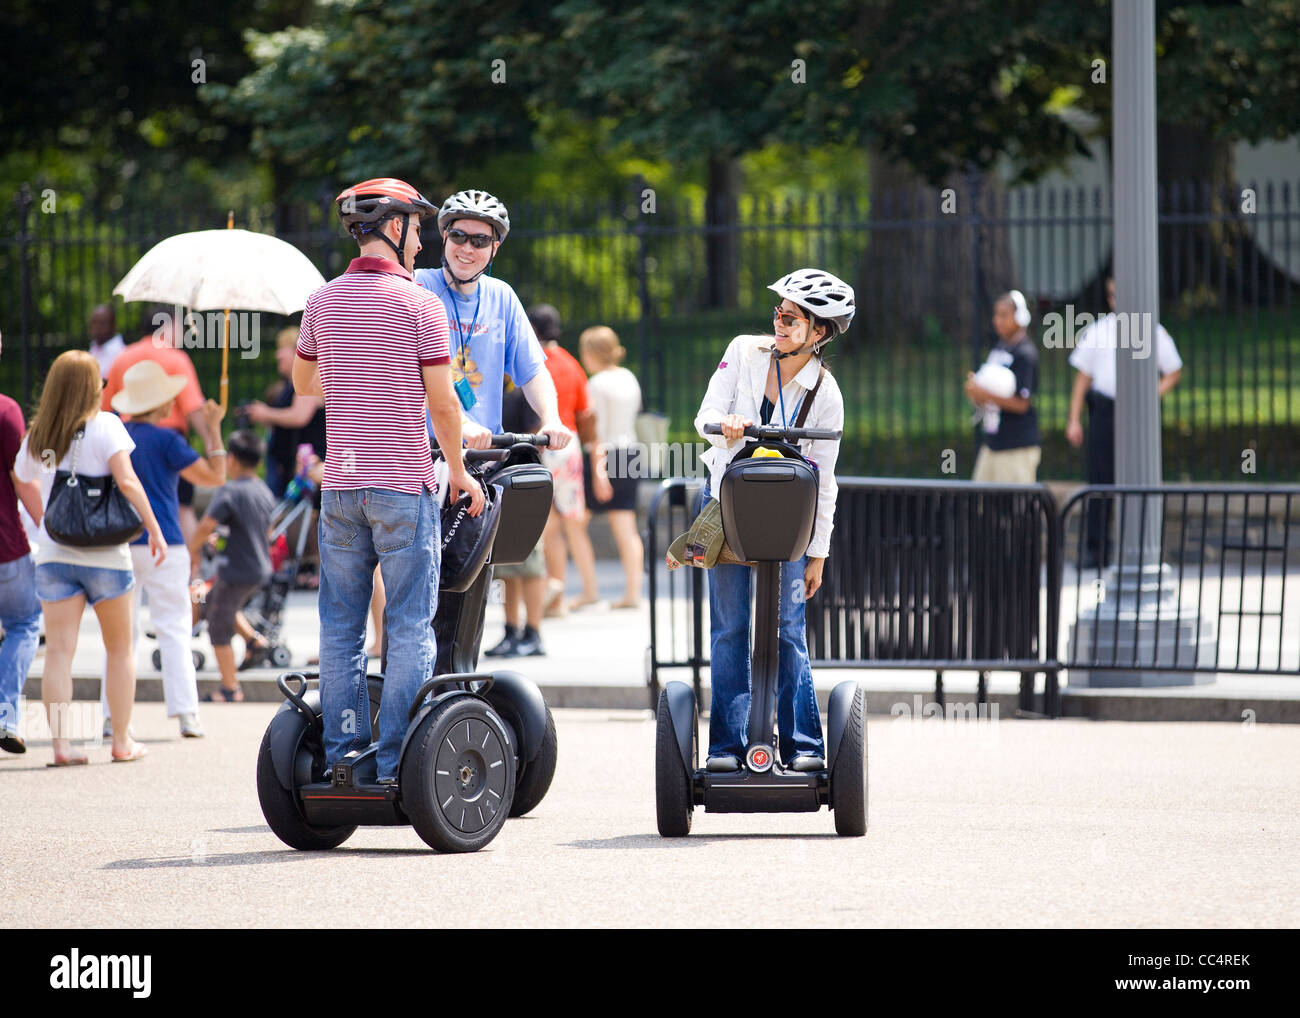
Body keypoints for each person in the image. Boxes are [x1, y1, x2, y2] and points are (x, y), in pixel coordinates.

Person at [295, 177, 484, 784]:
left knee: (341, 623)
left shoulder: (323, 300)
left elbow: (304, 385)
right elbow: (444, 404)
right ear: (394, 227)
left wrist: (357, 384)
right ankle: (396, 760)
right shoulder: (421, 306)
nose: (423, 238)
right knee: (407, 623)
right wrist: (457, 471)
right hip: (404, 482)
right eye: (419, 226)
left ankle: (342, 754)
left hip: (341, 487)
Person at [693, 268, 852, 773]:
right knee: (730, 628)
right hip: (727, 504)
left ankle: (804, 747)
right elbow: (704, 418)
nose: (778, 324)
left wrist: (819, 553)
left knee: (787, 629)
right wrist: (729, 430)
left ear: (819, 331)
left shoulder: (825, 394)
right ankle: (726, 749)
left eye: (791, 317)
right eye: (778, 314)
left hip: (788, 519)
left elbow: (825, 479)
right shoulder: (744, 351)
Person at [412, 189, 572, 668]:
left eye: (480, 240)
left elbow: (533, 370)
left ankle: (456, 685)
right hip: (425, 459)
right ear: (443, 236)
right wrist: (463, 424)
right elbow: (417, 373)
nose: (467, 247)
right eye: (458, 235)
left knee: (472, 584)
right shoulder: (418, 286)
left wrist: (552, 418)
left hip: (481, 463)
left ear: (494, 248)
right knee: (424, 587)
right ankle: (414, 691)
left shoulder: (501, 297)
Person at [14, 351, 165, 765]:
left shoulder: (39, 435)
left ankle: (61, 747)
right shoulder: (106, 427)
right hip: (106, 557)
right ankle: (120, 742)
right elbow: (128, 481)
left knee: (60, 651)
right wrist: (154, 529)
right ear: (90, 387)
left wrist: (43, 517)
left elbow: (22, 476)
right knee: (119, 649)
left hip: (54, 553)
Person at [102, 360, 227, 737]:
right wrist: (215, 430)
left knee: (120, 638)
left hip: (119, 543)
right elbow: (215, 476)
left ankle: (112, 718)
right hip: (166, 544)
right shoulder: (168, 440)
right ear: (160, 403)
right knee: (174, 629)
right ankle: (187, 714)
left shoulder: (115, 434)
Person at [1066, 276, 1183, 566]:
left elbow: (1173, 370)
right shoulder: (1098, 331)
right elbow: (1083, 378)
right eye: (1113, 295)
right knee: (1099, 481)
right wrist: (1074, 420)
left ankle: (1144, 548)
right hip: (1105, 410)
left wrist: (1151, 396)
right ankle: (1096, 550)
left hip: (1138, 413)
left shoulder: (1152, 331)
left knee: (1141, 478)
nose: (1118, 300)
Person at [102, 306, 221, 544]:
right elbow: (193, 408)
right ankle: (189, 566)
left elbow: (106, 408)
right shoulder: (176, 358)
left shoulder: (123, 357)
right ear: (166, 326)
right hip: (170, 442)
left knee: (131, 497)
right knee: (183, 506)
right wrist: (211, 441)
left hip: (127, 440)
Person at [188, 430, 274, 703]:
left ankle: (230, 688)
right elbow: (262, 529)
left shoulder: (230, 490)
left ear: (232, 459)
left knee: (218, 624)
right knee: (218, 601)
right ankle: (254, 641)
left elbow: (206, 525)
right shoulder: (263, 489)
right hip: (259, 566)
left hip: (236, 570)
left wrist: (193, 548)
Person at [529, 304, 601, 615]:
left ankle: (555, 596)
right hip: (569, 447)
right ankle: (588, 589)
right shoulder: (572, 364)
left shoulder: (532, 362)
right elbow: (586, 413)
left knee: (550, 526)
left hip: (541, 445)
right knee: (572, 523)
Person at [579, 325, 644, 609]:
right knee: (627, 528)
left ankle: (589, 590)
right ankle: (633, 593)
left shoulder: (596, 384)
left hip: (606, 456)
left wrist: (598, 473)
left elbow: (597, 435)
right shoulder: (629, 377)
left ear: (593, 353)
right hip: (631, 452)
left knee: (574, 524)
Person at [483, 380, 549, 658]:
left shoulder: (526, 392)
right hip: (495, 479)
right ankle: (511, 630)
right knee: (505, 561)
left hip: (524, 478)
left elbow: (538, 435)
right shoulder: (490, 390)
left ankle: (533, 631)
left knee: (530, 561)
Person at [0, 373, 44, 754]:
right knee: (24, 624)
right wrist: (50, 525)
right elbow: (23, 479)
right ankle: (5, 716)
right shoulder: (6, 410)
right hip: (5, 548)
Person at [965, 290, 1041, 483]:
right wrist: (976, 390)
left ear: (1020, 317)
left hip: (1016, 446)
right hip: (993, 443)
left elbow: (1022, 404)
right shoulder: (999, 348)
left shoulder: (1025, 354)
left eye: (1004, 315)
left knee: (1016, 507)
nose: (997, 320)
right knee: (981, 502)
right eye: (996, 314)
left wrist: (985, 394)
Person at [243, 325, 327, 499]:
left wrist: (266, 414)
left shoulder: (309, 377)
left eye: (282, 349)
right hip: (290, 462)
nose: (277, 354)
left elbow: (299, 416)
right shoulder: (291, 383)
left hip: (308, 463)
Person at [88, 304, 125, 381]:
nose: (96, 328)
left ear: (113, 326)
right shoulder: (93, 348)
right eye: (94, 323)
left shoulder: (121, 353)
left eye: (102, 323)